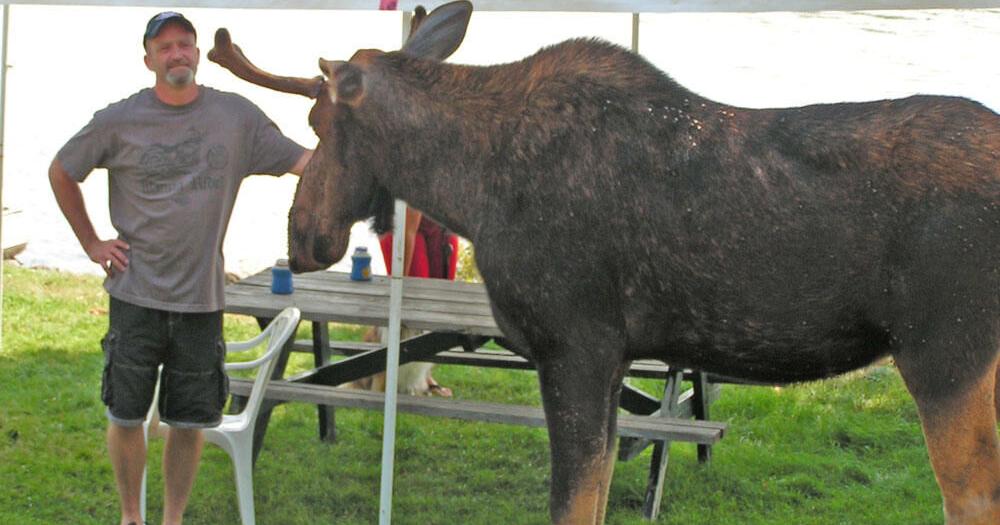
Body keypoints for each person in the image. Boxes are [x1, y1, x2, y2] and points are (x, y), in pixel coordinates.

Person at [47, 12, 311, 525]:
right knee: (125, 416)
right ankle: (131, 517)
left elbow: (304, 162)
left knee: (188, 422)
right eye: (165, 47)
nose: (177, 54)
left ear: (195, 53)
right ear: (148, 58)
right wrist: (90, 242)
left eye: (185, 45)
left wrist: (356, 140)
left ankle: (172, 519)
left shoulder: (236, 118)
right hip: (135, 295)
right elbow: (62, 170)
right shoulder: (118, 120)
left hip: (201, 301)